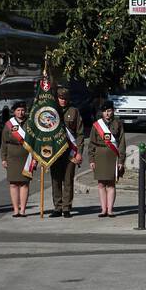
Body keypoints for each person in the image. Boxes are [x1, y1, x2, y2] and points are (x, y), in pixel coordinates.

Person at [48, 85, 84, 218]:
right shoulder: (51, 112)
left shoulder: (74, 111)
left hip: (70, 152)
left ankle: (66, 207)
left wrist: (79, 151)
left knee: (68, 180)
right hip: (55, 152)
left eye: (65, 98)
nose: (63, 100)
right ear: (57, 98)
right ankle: (57, 206)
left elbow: (80, 133)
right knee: (56, 179)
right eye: (60, 98)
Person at [88, 101, 126, 217]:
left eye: (109, 111)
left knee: (111, 184)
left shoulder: (118, 124)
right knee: (101, 184)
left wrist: (121, 161)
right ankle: (103, 209)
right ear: (102, 112)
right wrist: (92, 160)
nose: (107, 113)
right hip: (99, 155)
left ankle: (110, 210)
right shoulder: (96, 125)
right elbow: (91, 144)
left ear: (113, 111)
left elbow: (122, 143)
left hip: (112, 156)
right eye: (105, 111)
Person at [2, 101, 35, 217]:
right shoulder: (8, 124)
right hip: (12, 157)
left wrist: (35, 158)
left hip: (27, 157)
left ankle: (23, 210)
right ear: (14, 112)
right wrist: (4, 158)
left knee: (24, 183)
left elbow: (35, 141)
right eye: (18, 110)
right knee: (13, 184)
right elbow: (4, 142)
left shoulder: (30, 123)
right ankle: (16, 210)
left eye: (22, 110)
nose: (20, 112)